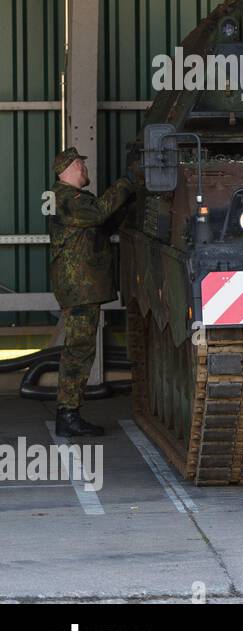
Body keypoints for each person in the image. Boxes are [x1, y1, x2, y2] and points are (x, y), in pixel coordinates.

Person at [46, 147, 136, 437]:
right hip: (79, 287)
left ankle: (69, 413)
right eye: (82, 165)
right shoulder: (66, 198)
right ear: (71, 167)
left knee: (80, 349)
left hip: (82, 286)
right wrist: (126, 182)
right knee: (78, 351)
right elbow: (99, 213)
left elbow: (102, 221)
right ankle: (68, 415)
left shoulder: (74, 200)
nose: (86, 170)